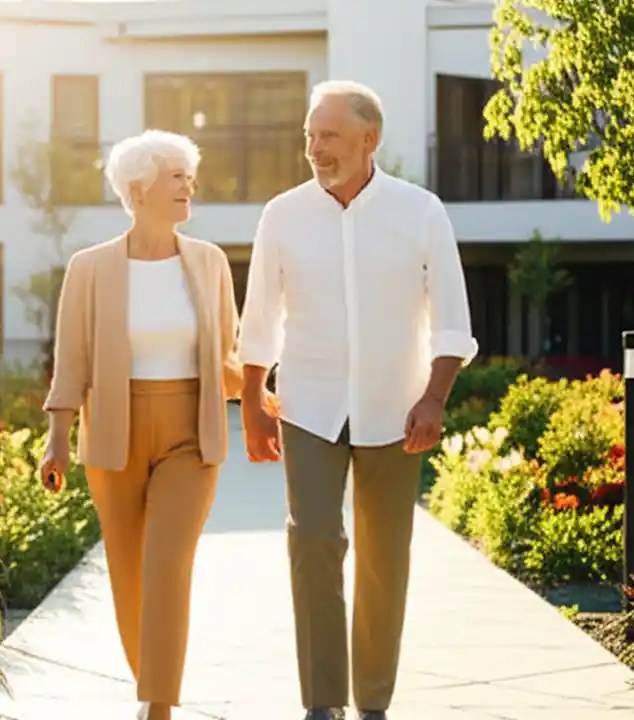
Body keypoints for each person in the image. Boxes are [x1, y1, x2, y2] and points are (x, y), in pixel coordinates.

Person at [237, 80, 479, 720]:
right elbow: (258, 317)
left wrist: (434, 397)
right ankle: (323, 704)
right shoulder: (282, 214)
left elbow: (452, 317)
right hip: (310, 404)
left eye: (330, 136)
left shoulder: (421, 210)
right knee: (312, 538)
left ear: (369, 140)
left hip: (396, 408)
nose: (315, 149)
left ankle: (371, 702)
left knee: (384, 557)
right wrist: (253, 403)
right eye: (310, 136)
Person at [38, 129, 244, 720]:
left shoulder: (208, 263)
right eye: (176, 176)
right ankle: (151, 679)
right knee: (129, 575)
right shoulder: (90, 268)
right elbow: (72, 361)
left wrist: (259, 394)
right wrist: (56, 441)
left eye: (188, 175)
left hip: (189, 434)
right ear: (138, 190)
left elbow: (227, 354)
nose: (189, 186)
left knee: (166, 566)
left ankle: (157, 705)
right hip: (114, 431)